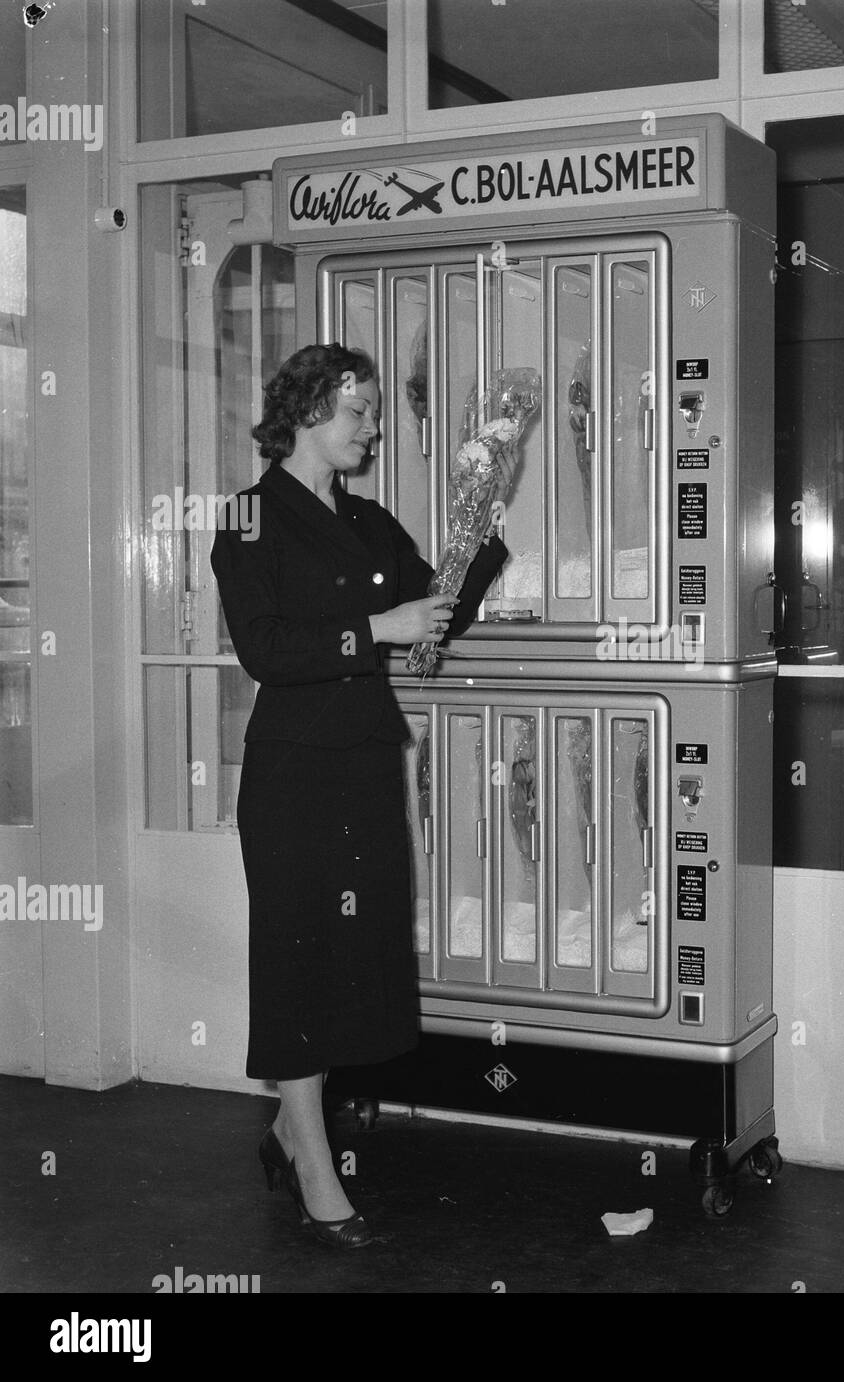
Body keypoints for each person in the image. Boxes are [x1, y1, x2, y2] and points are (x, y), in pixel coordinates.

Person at [211, 343, 507, 1248]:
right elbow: (266, 649)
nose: (372, 429)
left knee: (351, 957)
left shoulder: (371, 520)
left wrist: (478, 520)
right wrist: (377, 627)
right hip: (295, 775)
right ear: (304, 412)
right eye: (358, 413)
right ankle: (310, 1158)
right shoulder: (247, 517)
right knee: (298, 963)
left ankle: (287, 1128)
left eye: (377, 412)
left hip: (364, 764)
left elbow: (438, 607)